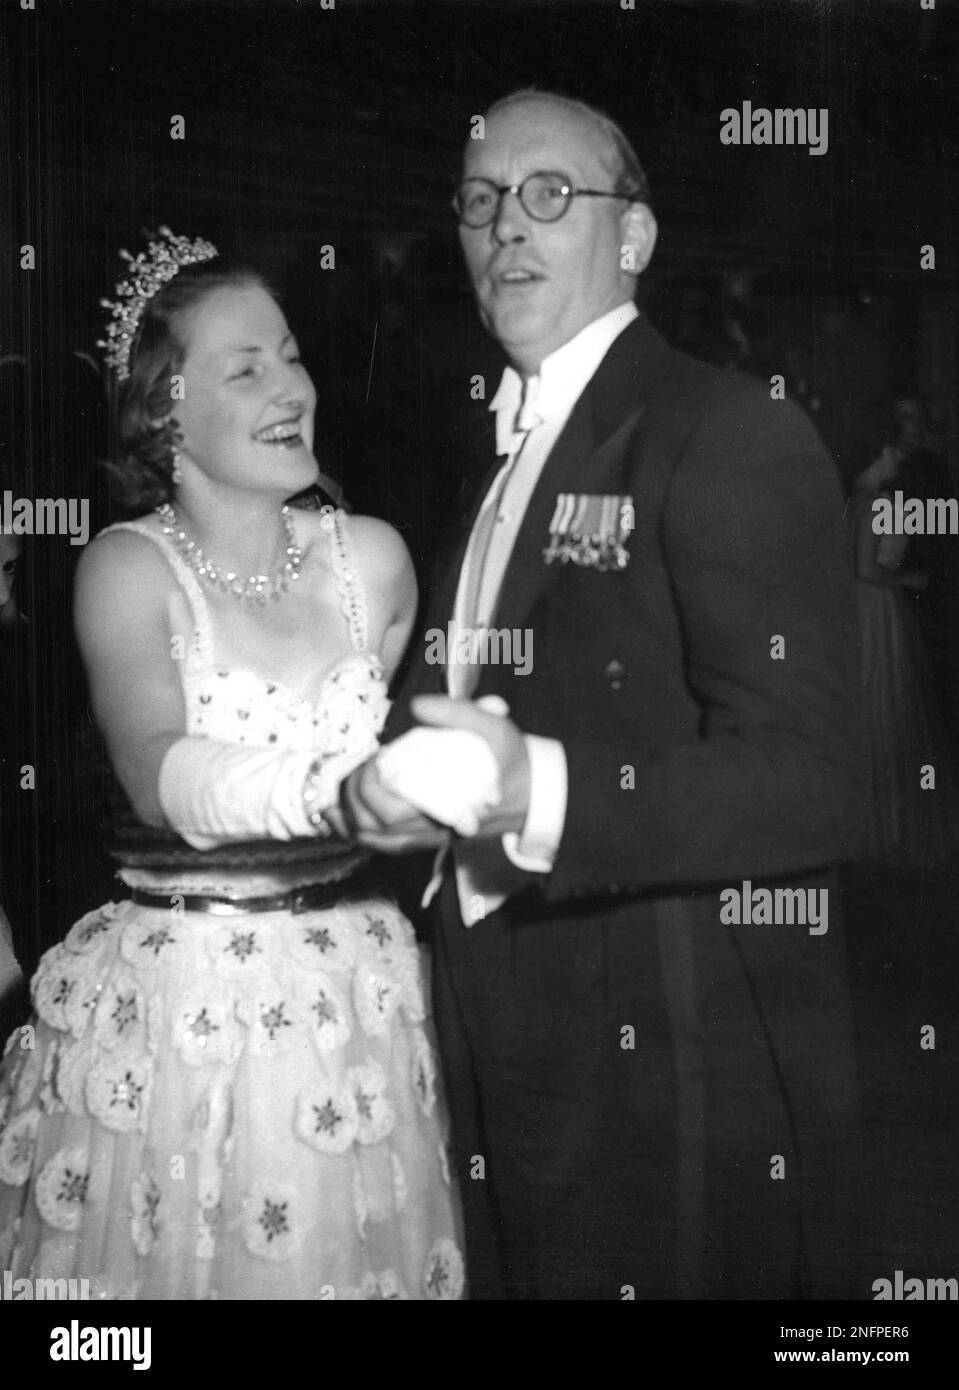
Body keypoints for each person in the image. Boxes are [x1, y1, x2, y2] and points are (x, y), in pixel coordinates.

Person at [339, 90, 865, 1299]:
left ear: (631, 238)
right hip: (496, 1009)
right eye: (479, 203)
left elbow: (816, 783)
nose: (505, 228)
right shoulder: (490, 459)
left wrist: (544, 792)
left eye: (547, 195)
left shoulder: (723, 429)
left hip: (665, 1032)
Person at [0, 229, 463, 1300]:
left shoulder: (374, 563)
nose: (289, 384)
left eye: (291, 354)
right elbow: (157, 758)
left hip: (357, 992)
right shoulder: (124, 568)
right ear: (166, 411)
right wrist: (327, 793)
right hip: (188, 996)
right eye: (245, 366)